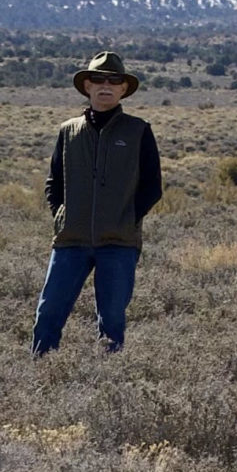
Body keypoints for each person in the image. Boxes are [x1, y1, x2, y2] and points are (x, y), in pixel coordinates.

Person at [32, 50, 163, 354]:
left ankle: (109, 383)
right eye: (98, 79)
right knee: (48, 314)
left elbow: (152, 187)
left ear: (123, 89)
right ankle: (41, 376)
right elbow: (54, 182)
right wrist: (63, 216)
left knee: (112, 320)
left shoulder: (138, 131)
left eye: (114, 80)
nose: (106, 85)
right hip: (71, 240)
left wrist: (126, 219)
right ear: (87, 86)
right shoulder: (69, 131)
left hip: (118, 243)